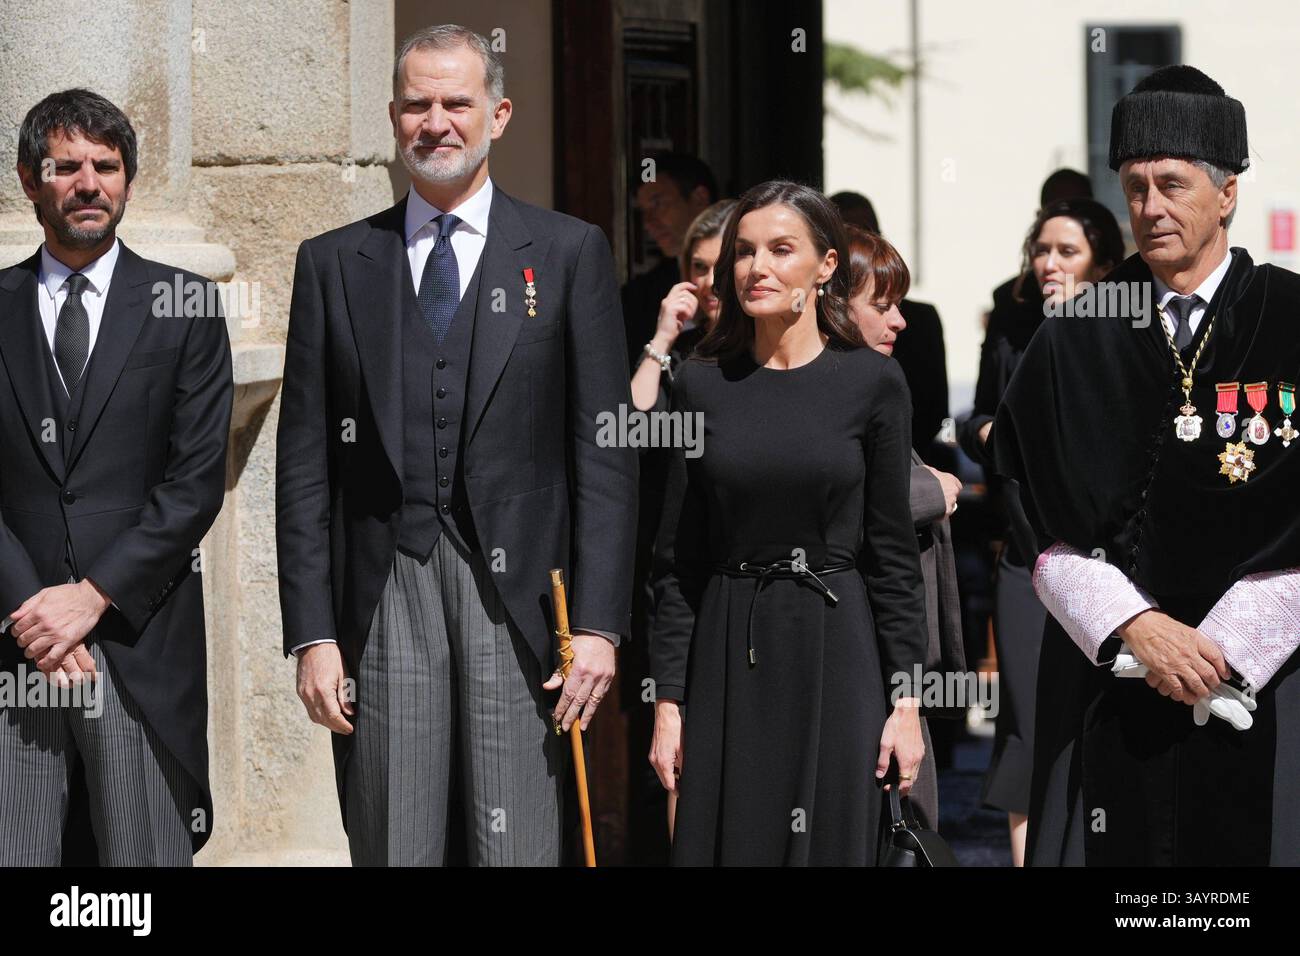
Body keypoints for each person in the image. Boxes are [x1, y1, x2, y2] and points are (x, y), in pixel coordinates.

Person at [277, 24, 637, 866]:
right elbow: (302, 464)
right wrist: (311, 633)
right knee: (396, 839)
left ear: (499, 114)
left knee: (512, 844)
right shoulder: (333, 263)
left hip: (520, 601)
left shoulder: (568, 251)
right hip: (382, 590)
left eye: (457, 102)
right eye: (417, 104)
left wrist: (600, 626)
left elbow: (605, 455)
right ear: (394, 116)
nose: (435, 121)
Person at [993, 65, 1300, 865]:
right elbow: (1025, 504)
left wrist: (1232, 644)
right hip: (1112, 685)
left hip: (1272, 682)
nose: (1151, 208)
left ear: (1227, 191)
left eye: (1172, 184)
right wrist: (1137, 627)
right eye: (1135, 187)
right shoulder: (1073, 336)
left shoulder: (1294, 318)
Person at [649, 180, 928, 865]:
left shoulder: (872, 383)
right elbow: (675, 561)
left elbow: (891, 555)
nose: (756, 268)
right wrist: (668, 702)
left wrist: (907, 702)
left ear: (826, 265)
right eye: (743, 252)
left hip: (840, 647)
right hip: (727, 648)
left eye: (780, 249)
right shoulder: (700, 381)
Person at [0, 89, 233, 864]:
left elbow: (195, 482)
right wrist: (33, 614)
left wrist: (92, 596)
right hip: (16, 656)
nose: (90, 183)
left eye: (107, 166)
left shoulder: (185, 305)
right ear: (31, 182)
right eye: (67, 167)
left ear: (129, 181)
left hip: (137, 647)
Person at [962, 197, 1123, 865]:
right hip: (1027, 557)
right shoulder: (1014, 328)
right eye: (1042, 250)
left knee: (1106, 725)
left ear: (1103, 266)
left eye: (1067, 251)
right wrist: (996, 434)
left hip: (1112, 565)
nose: (1049, 263)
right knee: (1029, 729)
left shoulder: (1125, 334)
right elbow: (973, 423)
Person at [844, 225, 967, 833]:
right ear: (836, 304)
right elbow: (847, 497)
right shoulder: (844, 386)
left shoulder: (876, 380)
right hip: (867, 653)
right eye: (882, 305)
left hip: (903, 665)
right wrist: (931, 492)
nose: (899, 321)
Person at [624, 199, 734, 862]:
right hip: (678, 578)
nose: (715, 285)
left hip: (750, 579)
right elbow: (632, 428)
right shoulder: (683, 366)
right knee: (679, 759)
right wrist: (662, 338)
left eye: (725, 267)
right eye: (700, 269)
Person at [830, 191, 949, 459]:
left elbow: (932, 413)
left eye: (868, 231)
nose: (899, 321)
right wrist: (925, 491)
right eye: (881, 306)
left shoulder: (886, 381)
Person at [622, 153, 717, 369]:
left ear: (700, 198)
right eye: (644, 211)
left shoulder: (753, 281)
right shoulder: (638, 297)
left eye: (658, 204)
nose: (648, 222)